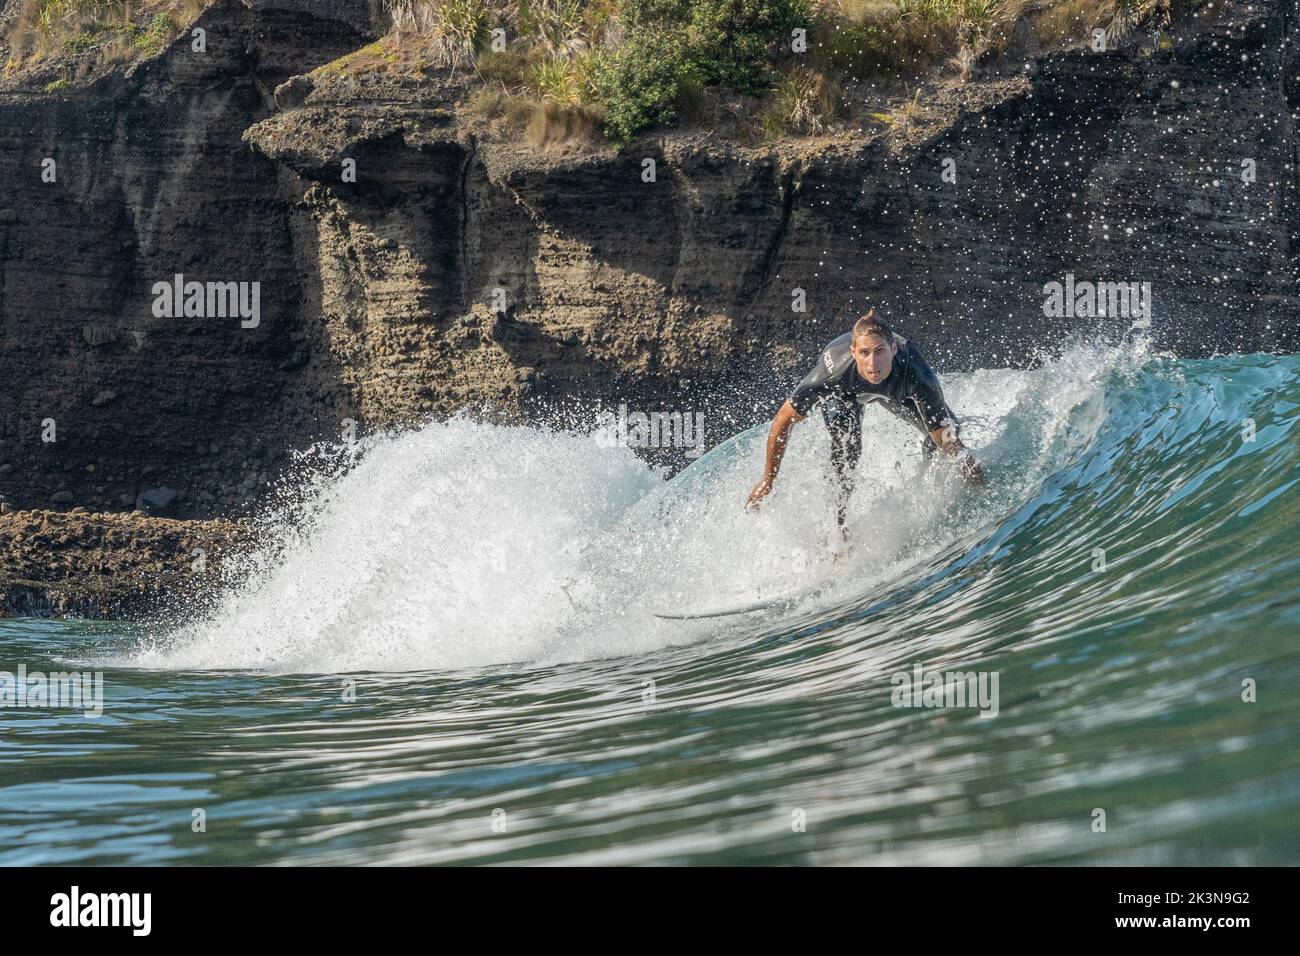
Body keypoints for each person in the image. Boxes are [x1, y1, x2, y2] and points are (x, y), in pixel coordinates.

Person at [746, 310, 984, 534]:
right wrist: (768, 479)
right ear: (853, 352)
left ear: (893, 349)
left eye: (880, 351)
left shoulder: (917, 375)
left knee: (947, 431)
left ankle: (925, 482)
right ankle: (840, 530)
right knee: (847, 455)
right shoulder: (831, 377)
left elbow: (946, 439)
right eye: (864, 353)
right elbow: (782, 421)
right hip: (845, 395)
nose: (872, 363)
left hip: (895, 390)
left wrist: (974, 475)